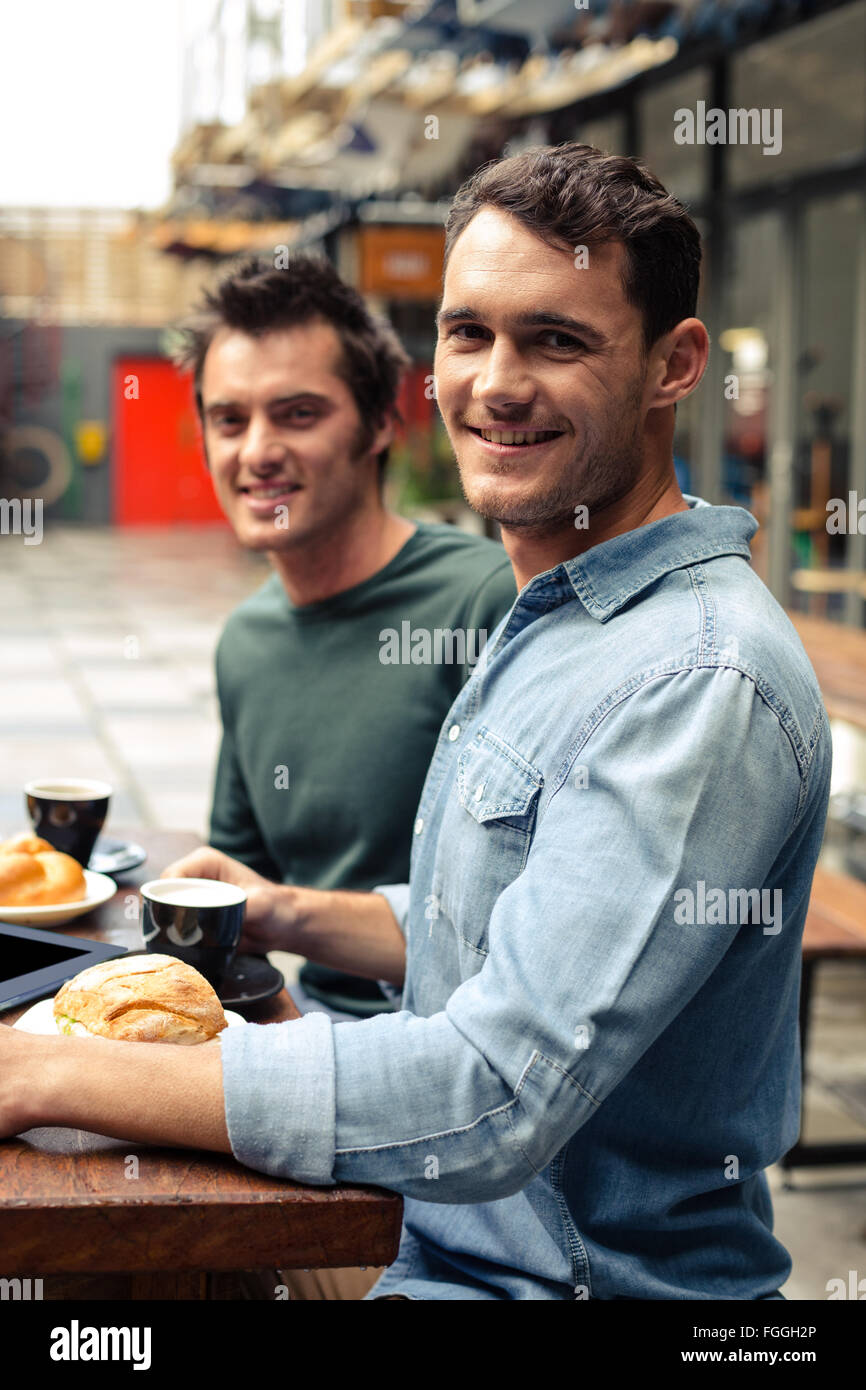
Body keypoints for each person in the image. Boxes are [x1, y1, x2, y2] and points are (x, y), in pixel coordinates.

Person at [0, 143, 831, 1301]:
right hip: (433, 1237)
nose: (494, 382)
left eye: (556, 338)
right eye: (466, 332)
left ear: (670, 365)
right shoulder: (559, 611)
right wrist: (281, 910)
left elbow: (490, 1090)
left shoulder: (694, 679)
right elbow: (498, 921)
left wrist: (45, 1075)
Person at [173, 254, 516, 1019]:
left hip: (469, 1047)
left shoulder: (485, 602)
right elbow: (239, 895)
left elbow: (529, 923)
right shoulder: (247, 641)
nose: (256, 450)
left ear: (383, 422)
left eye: (298, 414)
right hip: (314, 1027)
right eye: (229, 419)